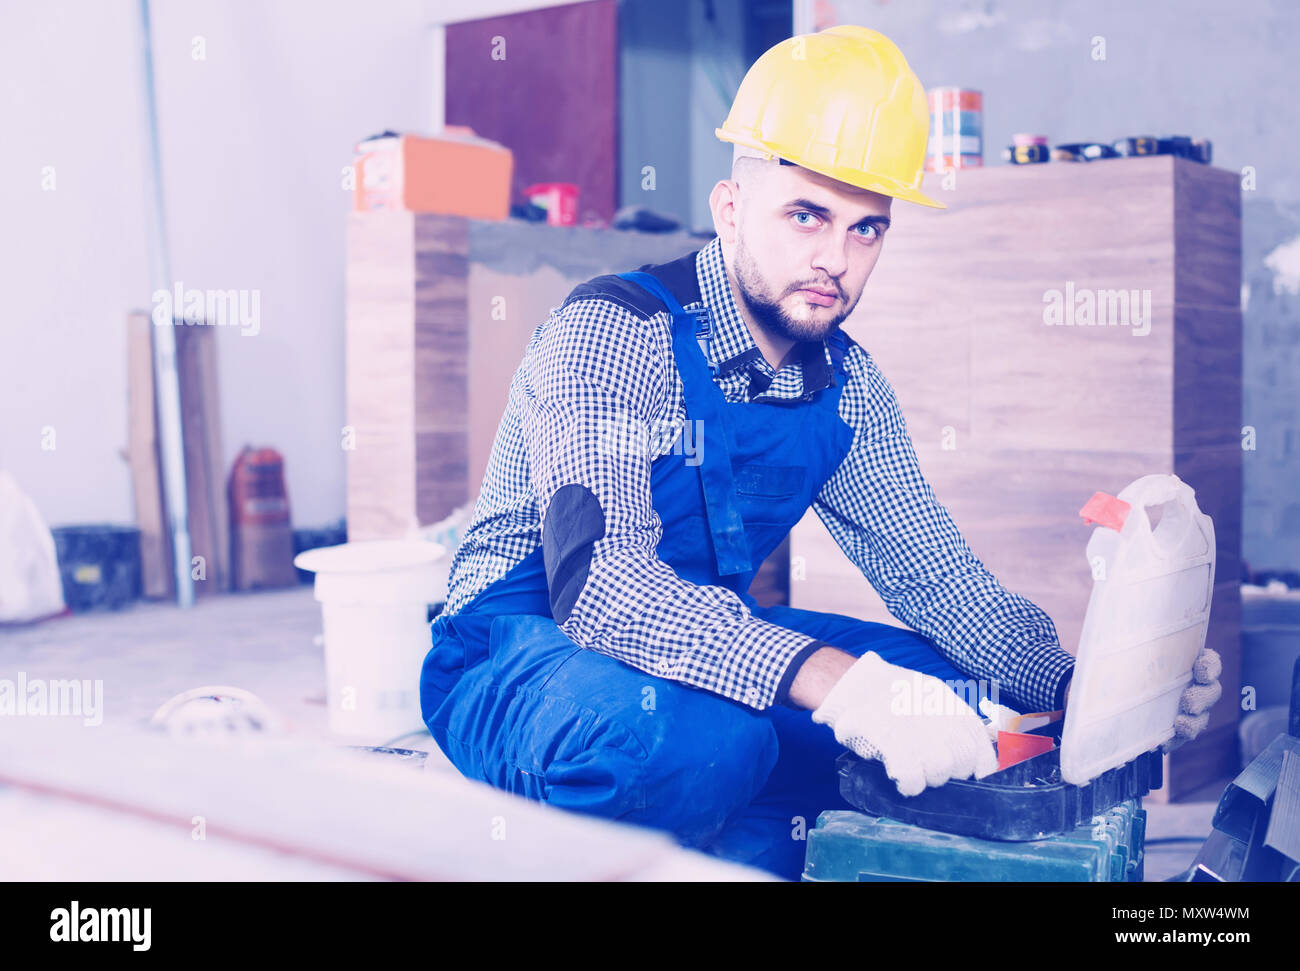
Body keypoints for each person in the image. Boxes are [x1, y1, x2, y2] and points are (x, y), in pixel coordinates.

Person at [419, 25, 1219, 881]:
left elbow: (940, 579)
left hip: (693, 637)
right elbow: (600, 585)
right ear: (731, 210)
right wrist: (828, 679)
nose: (835, 260)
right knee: (701, 740)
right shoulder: (615, 332)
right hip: (518, 646)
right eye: (806, 215)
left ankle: (733, 831)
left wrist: (1083, 689)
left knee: (963, 708)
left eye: (867, 230)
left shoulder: (845, 382)